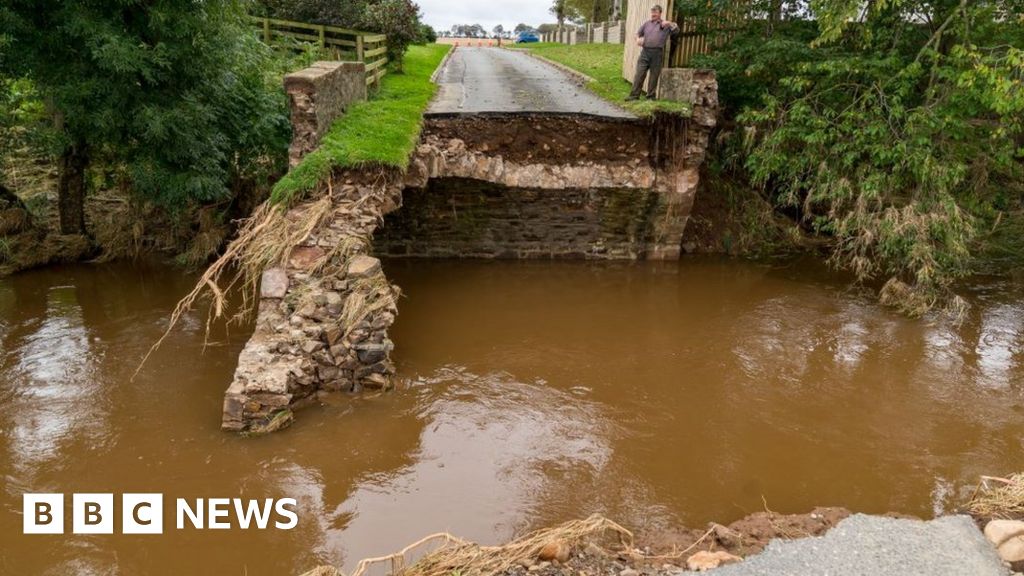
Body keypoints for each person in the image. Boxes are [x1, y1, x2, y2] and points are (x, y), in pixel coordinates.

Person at [627, 5, 679, 101]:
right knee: (639, 74)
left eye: (655, 12)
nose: (653, 14)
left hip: (657, 53)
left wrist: (670, 23)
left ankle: (650, 97)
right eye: (652, 12)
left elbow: (676, 30)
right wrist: (638, 39)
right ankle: (634, 96)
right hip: (645, 52)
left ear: (660, 13)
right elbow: (637, 33)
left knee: (654, 76)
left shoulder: (665, 25)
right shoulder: (647, 24)